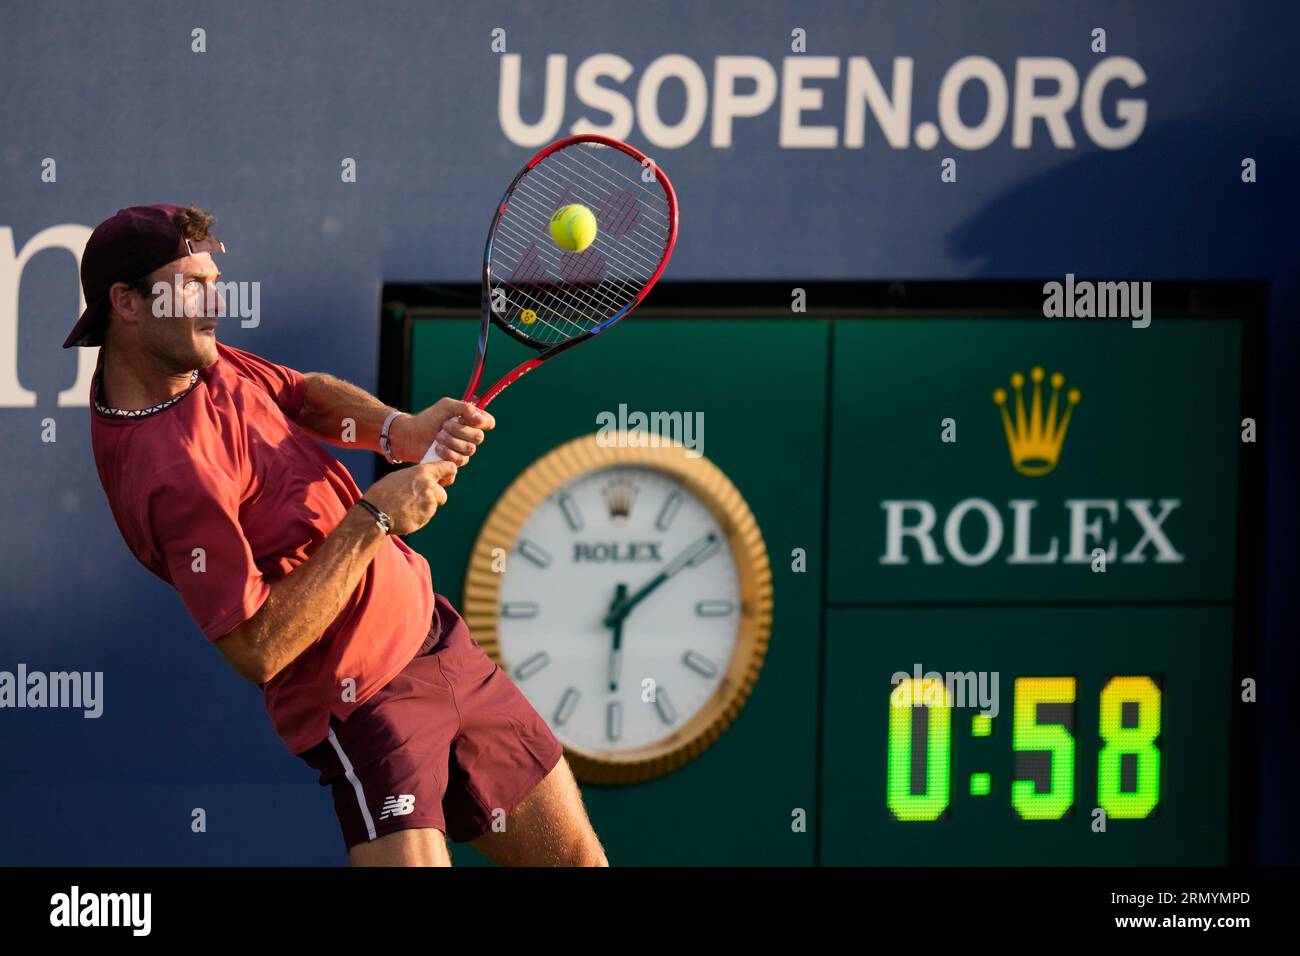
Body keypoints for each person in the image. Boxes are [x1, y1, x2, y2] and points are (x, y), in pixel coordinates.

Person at [64, 204, 607, 867]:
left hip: (441, 640)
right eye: (193, 285)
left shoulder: (191, 360)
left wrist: (396, 430)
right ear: (126, 303)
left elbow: (299, 395)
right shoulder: (173, 473)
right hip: (364, 704)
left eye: (214, 279)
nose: (217, 300)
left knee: (578, 861)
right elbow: (256, 649)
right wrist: (373, 518)